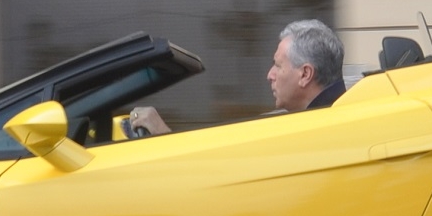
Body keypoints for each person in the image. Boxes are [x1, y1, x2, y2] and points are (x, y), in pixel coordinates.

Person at [125, 18, 344, 136]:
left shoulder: (325, 132)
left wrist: (163, 136)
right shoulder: (318, 120)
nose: (270, 75)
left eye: (278, 65)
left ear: (305, 74)